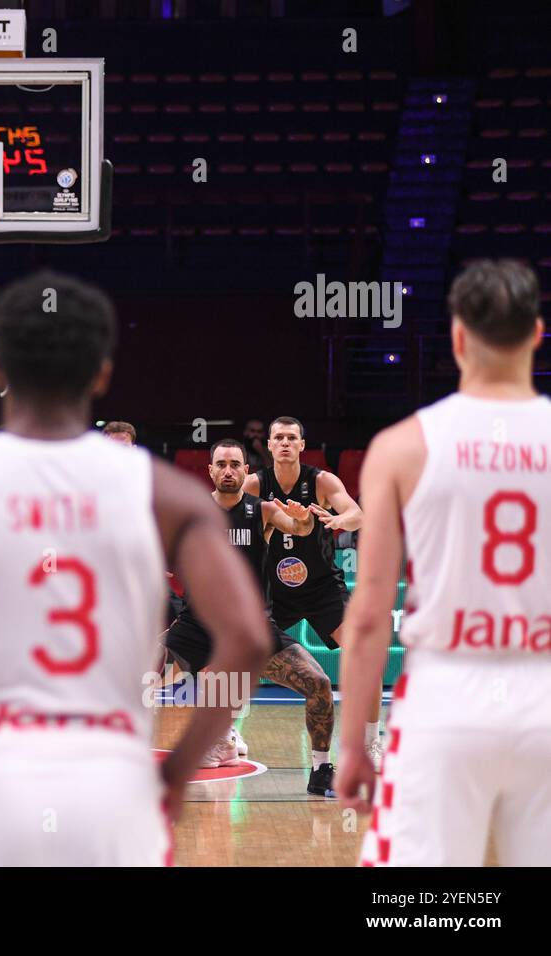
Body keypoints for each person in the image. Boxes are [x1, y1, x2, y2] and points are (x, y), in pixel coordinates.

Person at [0, 271, 272, 866]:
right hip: (113, 781)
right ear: (102, 374)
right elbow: (248, 639)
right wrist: (175, 774)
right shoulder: (170, 495)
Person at [338, 259, 551, 866]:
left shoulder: (401, 445)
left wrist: (353, 742)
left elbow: (371, 612)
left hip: (446, 696)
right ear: (536, 333)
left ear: (457, 337)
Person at [162, 439, 337, 796]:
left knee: (318, 684)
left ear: (246, 471)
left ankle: (321, 770)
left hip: (252, 627)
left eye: (235, 464)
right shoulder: (193, 511)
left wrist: (304, 524)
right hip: (198, 625)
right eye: (221, 464)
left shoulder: (263, 510)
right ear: (210, 470)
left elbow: (297, 527)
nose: (228, 470)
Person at [241, 416, 378, 764]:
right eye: (278, 438)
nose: (285, 443)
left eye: (291, 438)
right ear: (269, 445)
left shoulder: (321, 481)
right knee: (233, 653)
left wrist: (337, 520)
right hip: (273, 590)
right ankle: (228, 730)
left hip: (321, 588)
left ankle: (371, 741)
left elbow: (356, 513)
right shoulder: (255, 484)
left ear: (302, 445)